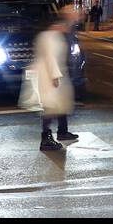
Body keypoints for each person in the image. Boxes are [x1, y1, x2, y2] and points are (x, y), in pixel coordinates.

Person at [29, 10, 77, 151]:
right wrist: (55, 76)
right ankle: (46, 138)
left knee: (58, 105)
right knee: (50, 107)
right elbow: (50, 57)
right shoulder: (50, 37)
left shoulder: (50, 35)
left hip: (52, 75)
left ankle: (60, 132)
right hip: (49, 77)